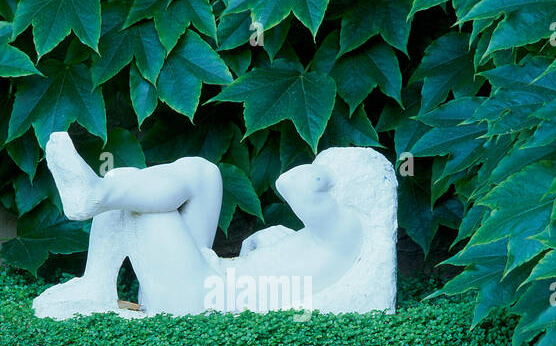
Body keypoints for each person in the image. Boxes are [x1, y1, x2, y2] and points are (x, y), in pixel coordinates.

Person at [34, 131, 396, 318]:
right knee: (204, 173)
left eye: (333, 174)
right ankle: (98, 199)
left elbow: (293, 183)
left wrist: (323, 175)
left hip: (203, 299)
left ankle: (100, 195)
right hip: (206, 279)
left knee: (140, 203)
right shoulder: (322, 241)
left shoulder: (349, 231)